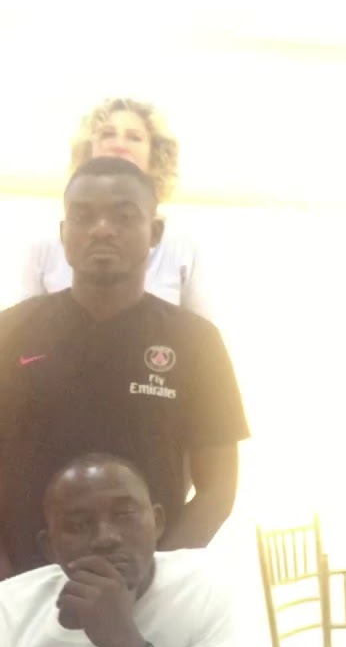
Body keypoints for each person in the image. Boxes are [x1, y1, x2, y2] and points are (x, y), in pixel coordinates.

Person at [0, 157, 248, 580]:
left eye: (124, 215)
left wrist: (153, 579)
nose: (102, 229)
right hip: (22, 585)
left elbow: (218, 489)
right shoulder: (11, 333)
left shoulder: (196, 342)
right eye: (83, 216)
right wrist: (8, 582)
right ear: (63, 233)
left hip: (146, 592)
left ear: (155, 233)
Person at [0, 453, 238, 647]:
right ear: (49, 547)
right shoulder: (9, 609)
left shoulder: (202, 587)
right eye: (78, 525)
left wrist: (124, 642)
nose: (105, 538)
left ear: (157, 523)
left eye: (124, 515)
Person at [19, 97, 206, 315]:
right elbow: (22, 324)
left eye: (134, 137)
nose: (119, 145)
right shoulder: (44, 238)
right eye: (107, 134)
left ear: (154, 154)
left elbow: (203, 327)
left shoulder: (183, 244)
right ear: (88, 148)